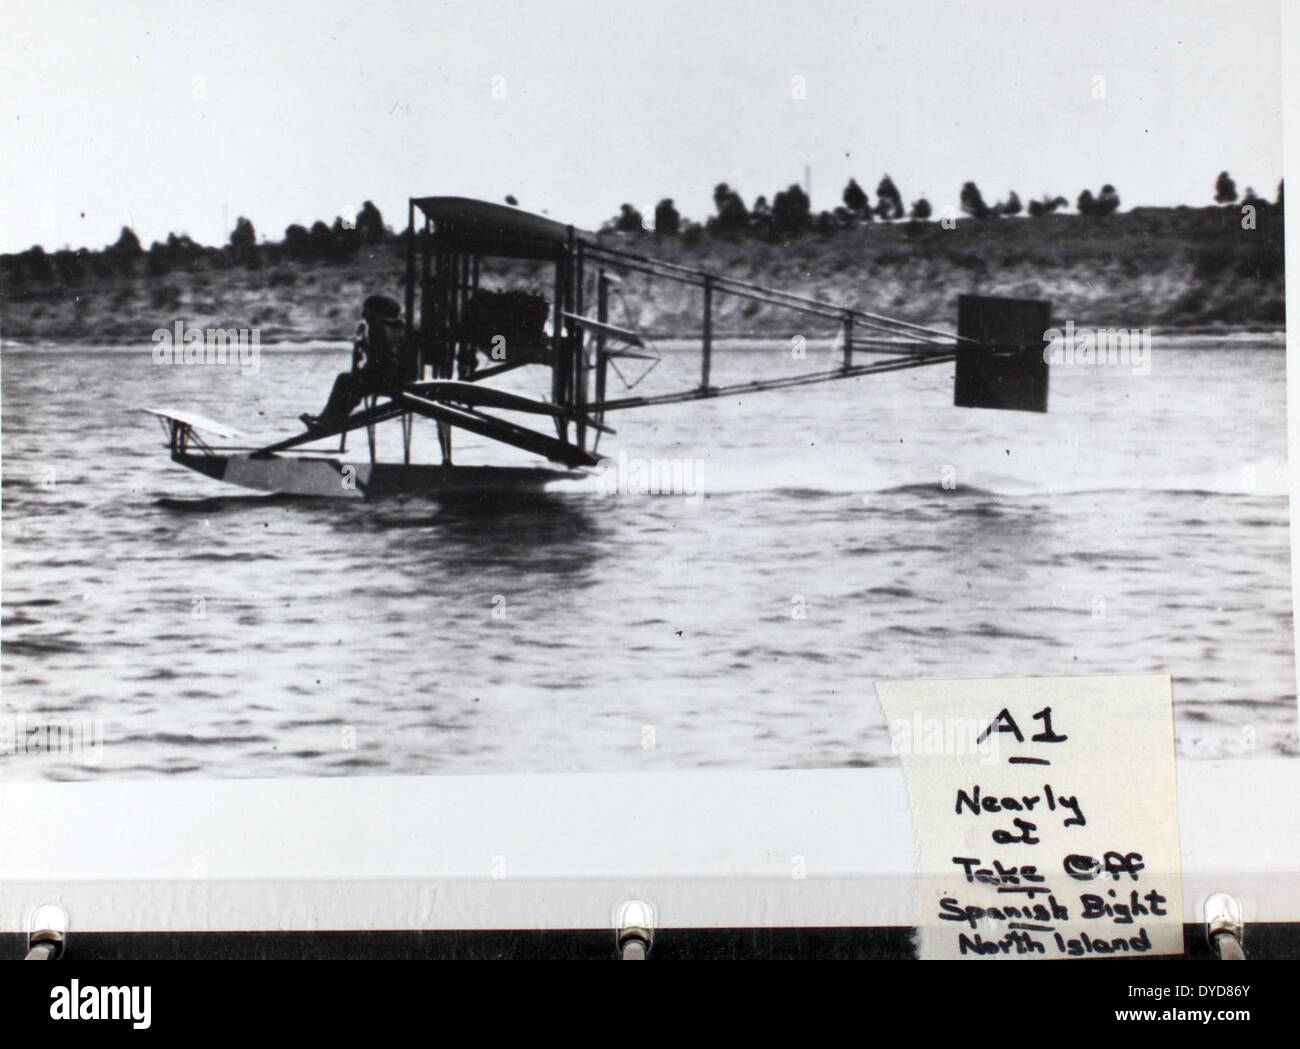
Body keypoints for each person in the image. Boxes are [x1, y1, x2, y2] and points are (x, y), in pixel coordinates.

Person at [300, 295, 405, 430]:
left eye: (367, 310)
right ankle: (328, 418)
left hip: (386, 380)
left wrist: (361, 349)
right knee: (350, 380)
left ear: (376, 311)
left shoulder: (377, 327)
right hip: (399, 378)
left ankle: (328, 420)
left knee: (345, 379)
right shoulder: (401, 328)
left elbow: (379, 360)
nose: (364, 314)